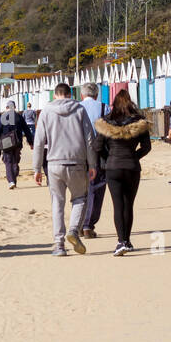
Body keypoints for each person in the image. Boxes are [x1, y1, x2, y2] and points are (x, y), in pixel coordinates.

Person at [31, 83, 96, 256]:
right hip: (77, 162)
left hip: (53, 163)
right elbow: (90, 139)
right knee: (80, 199)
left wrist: (36, 168)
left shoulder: (46, 111)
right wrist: (93, 164)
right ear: (70, 94)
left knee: (57, 203)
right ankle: (74, 230)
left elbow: (38, 142)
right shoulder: (79, 110)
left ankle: (59, 245)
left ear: (55, 94)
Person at [91, 90, 152, 256]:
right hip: (132, 167)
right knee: (128, 205)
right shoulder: (139, 122)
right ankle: (127, 240)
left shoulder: (106, 122)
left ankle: (120, 242)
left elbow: (97, 147)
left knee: (118, 205)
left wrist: (108, 158)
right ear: (130, 102)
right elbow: (146, 147)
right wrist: (134, 156)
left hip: (113, 167)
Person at [78, 83, 107, 238]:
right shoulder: (104, 107)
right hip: (99, 152)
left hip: (79, 152)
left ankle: (79, 223)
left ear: (82, 95)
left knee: (80, 190)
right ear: (96, 95)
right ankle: (88, 224)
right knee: (97, 188)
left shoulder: (76, 107)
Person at [0, 100, 34, 188]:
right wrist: (31, 142)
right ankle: (13, 179)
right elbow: (26, 130)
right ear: (14, 107)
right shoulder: (18, 116)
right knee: (15, 161)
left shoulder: (3, 117)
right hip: (17, 141)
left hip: (6, 142)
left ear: (7, 107)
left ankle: (11, 181)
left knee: (8, 161)